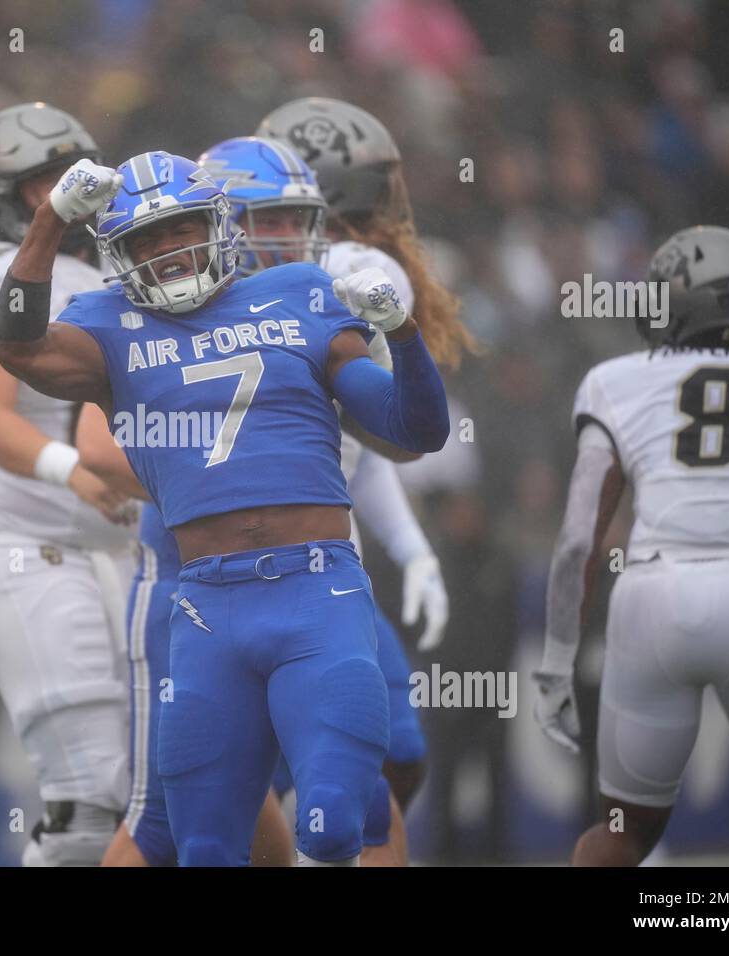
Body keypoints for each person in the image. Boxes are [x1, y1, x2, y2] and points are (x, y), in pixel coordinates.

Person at [0, 148, 449, 866]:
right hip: (205, 608)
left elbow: (415, 429)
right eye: (145, 240)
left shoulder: (300, 292)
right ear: (117, 253)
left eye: (178, 230)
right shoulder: (108, 321)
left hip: (316, 589)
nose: (166, 251)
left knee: (329, 826)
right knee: (202, 848)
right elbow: (17, 348)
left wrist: (406, 336)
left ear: (218, 223)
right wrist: (50, 222)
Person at [533, 225, 729, 866]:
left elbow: (578, 540)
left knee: (623, 828)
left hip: (649, 601)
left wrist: (556, 660)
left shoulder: (617, 380)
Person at [0, 102, 136, 867]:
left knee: (162, 790)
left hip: (122, 551)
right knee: (89, 798)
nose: (60, 196)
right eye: (41, 182)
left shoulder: (120, 268)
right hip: (28, 542)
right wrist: (69, 469)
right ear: (1, 194)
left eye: (68, 178)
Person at [258, 97, 475, 813]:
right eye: (377, 180)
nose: (391, 198)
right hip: (310, 556)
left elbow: (364, 434)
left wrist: (412, 550)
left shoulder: (249, 275)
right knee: (361, 769)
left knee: (368, 764)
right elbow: (396, 434)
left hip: (271, 542)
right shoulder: (358, 266)